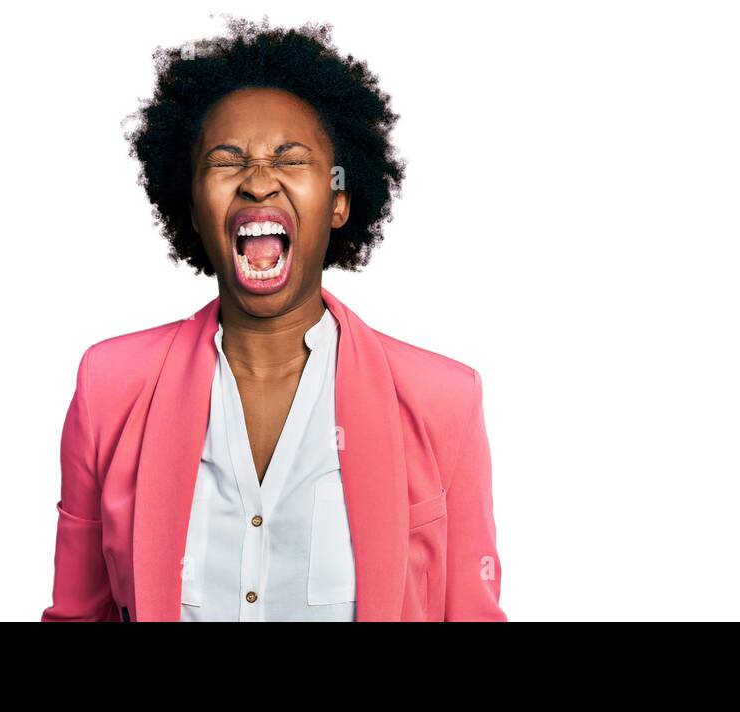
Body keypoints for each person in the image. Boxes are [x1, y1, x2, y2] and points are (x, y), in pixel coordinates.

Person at [40, 19, 505, 622]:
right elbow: (77, 616)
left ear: (339, 199)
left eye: (292, 159)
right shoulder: (110, 387)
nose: (259, 181)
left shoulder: (443, 401)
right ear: (192, 206)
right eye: (227, 161)